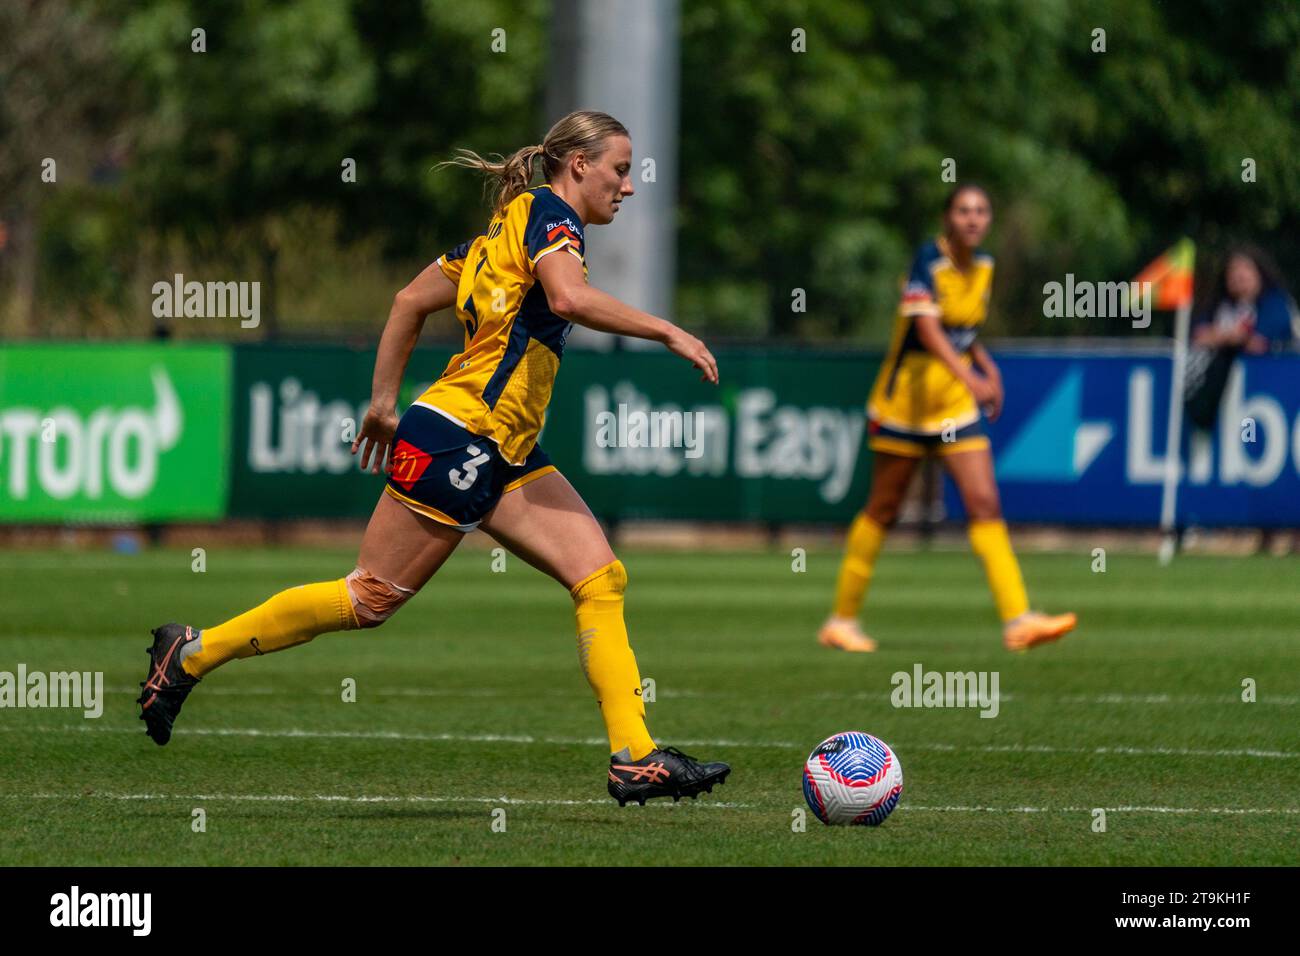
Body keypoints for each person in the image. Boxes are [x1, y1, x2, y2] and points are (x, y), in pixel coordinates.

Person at [137, 110, 731, 807]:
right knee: (369, 597)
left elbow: (408, 300)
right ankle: (192, 653)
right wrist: (667, 330)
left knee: (600, 577)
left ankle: (634, 756)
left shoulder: (496, 237)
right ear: (578, 165)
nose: (628, 187)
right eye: (620, 170)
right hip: (462, 436)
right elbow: (568, 297)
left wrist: (384, 406)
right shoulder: (548, 218)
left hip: (499, 446)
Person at [819, 184, 1077, 653]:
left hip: (953, 406)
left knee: (984, 503)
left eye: (981, 211)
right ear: (947, 219)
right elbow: (927, 327)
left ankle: (1018, 619)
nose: (973, 219)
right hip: (905, 403)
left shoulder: (984, 267)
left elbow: (964, 331)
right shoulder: (927, 260)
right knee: (884, 508)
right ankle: (841, 619)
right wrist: (972, 377)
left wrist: (989, 369)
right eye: (963, 211)